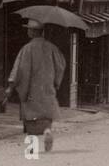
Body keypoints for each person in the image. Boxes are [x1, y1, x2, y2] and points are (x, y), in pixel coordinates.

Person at [7, 19, 66, 152]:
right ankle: (47, 131)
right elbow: (61, 65)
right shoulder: (52, 47)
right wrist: (56, 82)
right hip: (47, 89)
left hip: (31, 90)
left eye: (29, 29)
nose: (28, 31)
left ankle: (32, 151)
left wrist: (11, 85)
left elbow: (19, 70)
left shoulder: (27, 49)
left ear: (33, 32)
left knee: (31, 122)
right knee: (46, 117)